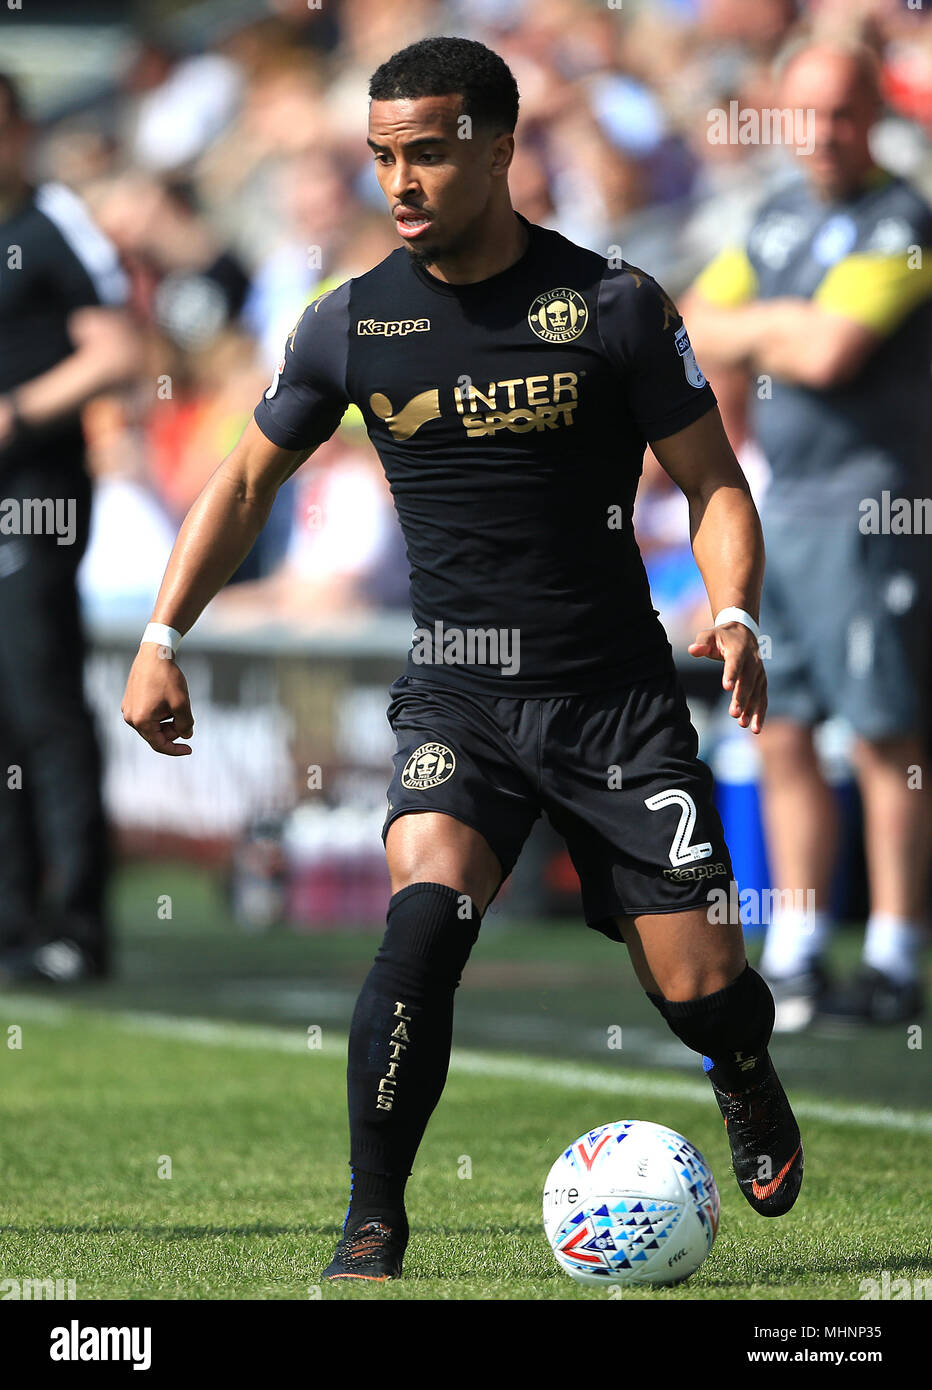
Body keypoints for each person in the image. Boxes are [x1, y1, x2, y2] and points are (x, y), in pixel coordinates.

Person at [121, 37, 801, 1283]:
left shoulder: (615, 304)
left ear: (497, 146)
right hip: (457, 698)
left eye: (427, 151)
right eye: (382, 156)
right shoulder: (351, 322)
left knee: (701, 988)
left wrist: (736, 611)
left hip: (613, 705)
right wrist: (164, 636)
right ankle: (371, 1222)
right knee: (420, 928)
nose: (401, 181)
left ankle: (741, 1067)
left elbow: (711, 481)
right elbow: (238, 480)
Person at [684, 38, 932, 1030]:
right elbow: (693, 324)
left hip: (870, 511)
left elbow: (830, 352)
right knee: (777, 730)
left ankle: (892, 953)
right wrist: (772, 325)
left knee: (883, 734)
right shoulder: (776, 217)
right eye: (804, 113)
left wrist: (763, 326)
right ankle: (793, 946)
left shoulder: (899, 218)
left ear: (872, 114)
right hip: (782, 508)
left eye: (839, 113)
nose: (820, 134)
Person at [0, 72, 140, 983]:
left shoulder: (52, 223)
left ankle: (76, 921)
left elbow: (122, 349)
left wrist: (17, 411)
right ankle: (12, 922)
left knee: (41, 699)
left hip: (33, 496)